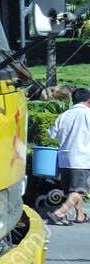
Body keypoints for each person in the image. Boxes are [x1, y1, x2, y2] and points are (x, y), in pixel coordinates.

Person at [48, 88, 90, 224]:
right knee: (79, 190)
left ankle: (80, 215)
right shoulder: (87, 114)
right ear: (88, 100)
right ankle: (59, 214)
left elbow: (52, 134)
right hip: (81, 158)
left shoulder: (64, 115)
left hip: (64, 159)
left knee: (73, 191)